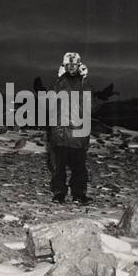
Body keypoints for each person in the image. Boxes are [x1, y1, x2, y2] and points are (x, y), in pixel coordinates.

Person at [48, 51, 92, 205]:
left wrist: (85, 80)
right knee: (58, 167)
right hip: (60, 132)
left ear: (79, 66)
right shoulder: (58, 84)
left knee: (79, 167)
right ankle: (59, 192)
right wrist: (59, 79)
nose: (71, 67)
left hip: (79, 133)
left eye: (74, 64)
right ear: (64, 66)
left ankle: (79, 193)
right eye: (68, 65)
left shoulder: (84, 84)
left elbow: (91, 105)